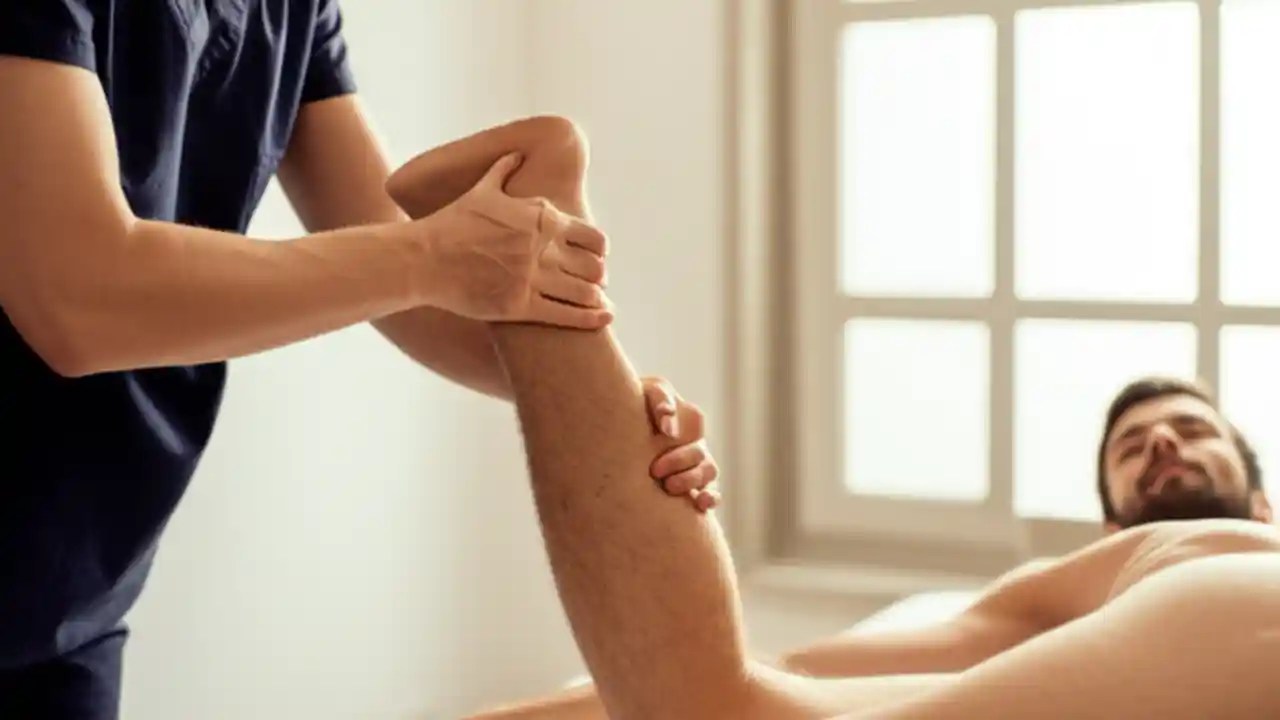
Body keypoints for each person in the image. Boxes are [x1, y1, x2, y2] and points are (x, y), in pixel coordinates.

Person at [385, 117, 1280, 719]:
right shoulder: (1122, 573)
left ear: (1264, 502)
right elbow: (796, 671)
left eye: (1195, 430)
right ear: (1113, 522)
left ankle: (537, 224)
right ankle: (537, 233)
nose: (1164, 441)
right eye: (1133, 445)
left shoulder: (1217, 559)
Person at [0, 5, 718, 719]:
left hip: (71, 602)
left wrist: (618, 404)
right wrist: (434, 255)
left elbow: (421, 294)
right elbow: (76, 297)